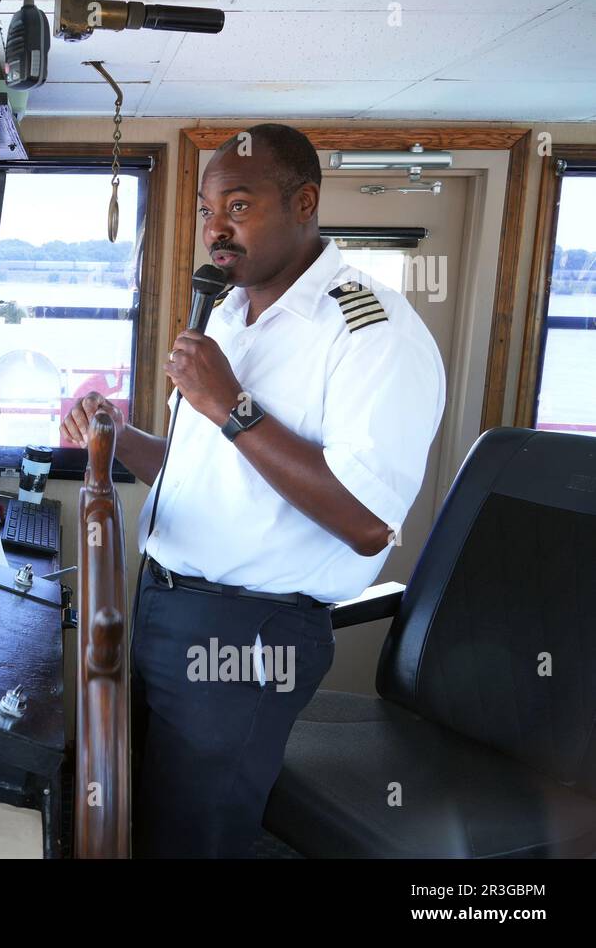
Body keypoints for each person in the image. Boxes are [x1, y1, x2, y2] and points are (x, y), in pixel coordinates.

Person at [61, 124, 446, 857]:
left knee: (195, 840)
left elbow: (367, 522)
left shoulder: (373, 331)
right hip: (167, 603)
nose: (216, 230)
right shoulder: (231, 313)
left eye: (239, 206)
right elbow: (207, 467)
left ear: (305, 202)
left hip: (249, 634)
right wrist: (117, 433)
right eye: (207, 211)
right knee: (147, 819)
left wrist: (232, 406)